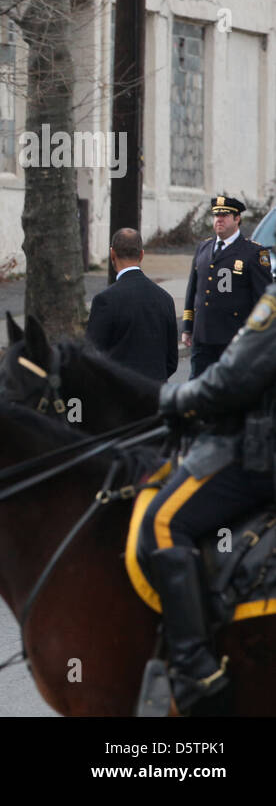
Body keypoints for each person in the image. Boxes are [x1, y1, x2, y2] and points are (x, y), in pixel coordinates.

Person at [140, 282, 276, 713]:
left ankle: (197, 668)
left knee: (161, 522)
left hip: (262, 454)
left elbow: (232, 379)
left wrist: (174, 397)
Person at [182, 195, 271, 378]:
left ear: (237, 219)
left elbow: (263, 300)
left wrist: (259, 338)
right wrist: (187, 327)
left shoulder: (253, 252)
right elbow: (193, 291)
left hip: (232, 339)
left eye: (225, 215)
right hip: (203, 336)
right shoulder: (203, 248)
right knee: (196, 391)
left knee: (230, 394)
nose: (219, 220)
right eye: (216, 216)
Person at [85, 228, 178, 381]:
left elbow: (92, 358)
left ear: (112, 254)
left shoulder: (105, 301)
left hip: (120, 395)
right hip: (155, 394)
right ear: (141, 255)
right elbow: (171, 361)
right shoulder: (165, 299)